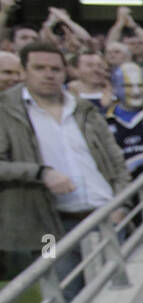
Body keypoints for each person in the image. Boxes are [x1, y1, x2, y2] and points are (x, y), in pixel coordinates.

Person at [0, 42, 128, 289]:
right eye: (39, 68)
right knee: (63, 292)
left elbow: (116, 160)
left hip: (104, 217)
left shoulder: (83, 108)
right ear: (24, 71)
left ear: (65, 72)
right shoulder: (5, 110)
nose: (48, 74)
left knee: (114, 296)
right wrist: (41, 173)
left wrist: (121, 203)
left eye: (55, 69)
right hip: (48, 229)